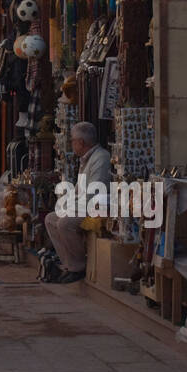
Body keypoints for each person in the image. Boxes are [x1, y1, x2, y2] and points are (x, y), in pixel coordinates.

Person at [43, 122, 112, 284]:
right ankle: (69, 264)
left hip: (96, 207)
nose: (72, 144)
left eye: (73, 141)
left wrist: (70, 208)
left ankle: (79, 267)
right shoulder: (86, 160)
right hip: (83, 205)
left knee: (65, 223)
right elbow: (78, 190)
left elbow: (94, 193)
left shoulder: (101, 158)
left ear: (81, 142)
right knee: (51, 219)